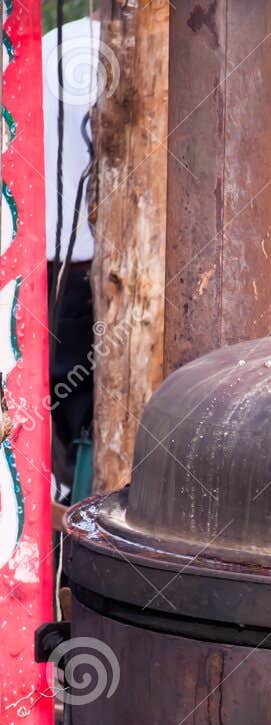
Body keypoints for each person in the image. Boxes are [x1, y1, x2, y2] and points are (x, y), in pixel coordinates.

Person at [41, 7, 102, 497]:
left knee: (61, 402)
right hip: (87, 263)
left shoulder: (51, 45)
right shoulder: (147, 55)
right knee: (84, 407)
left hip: (53, 261)